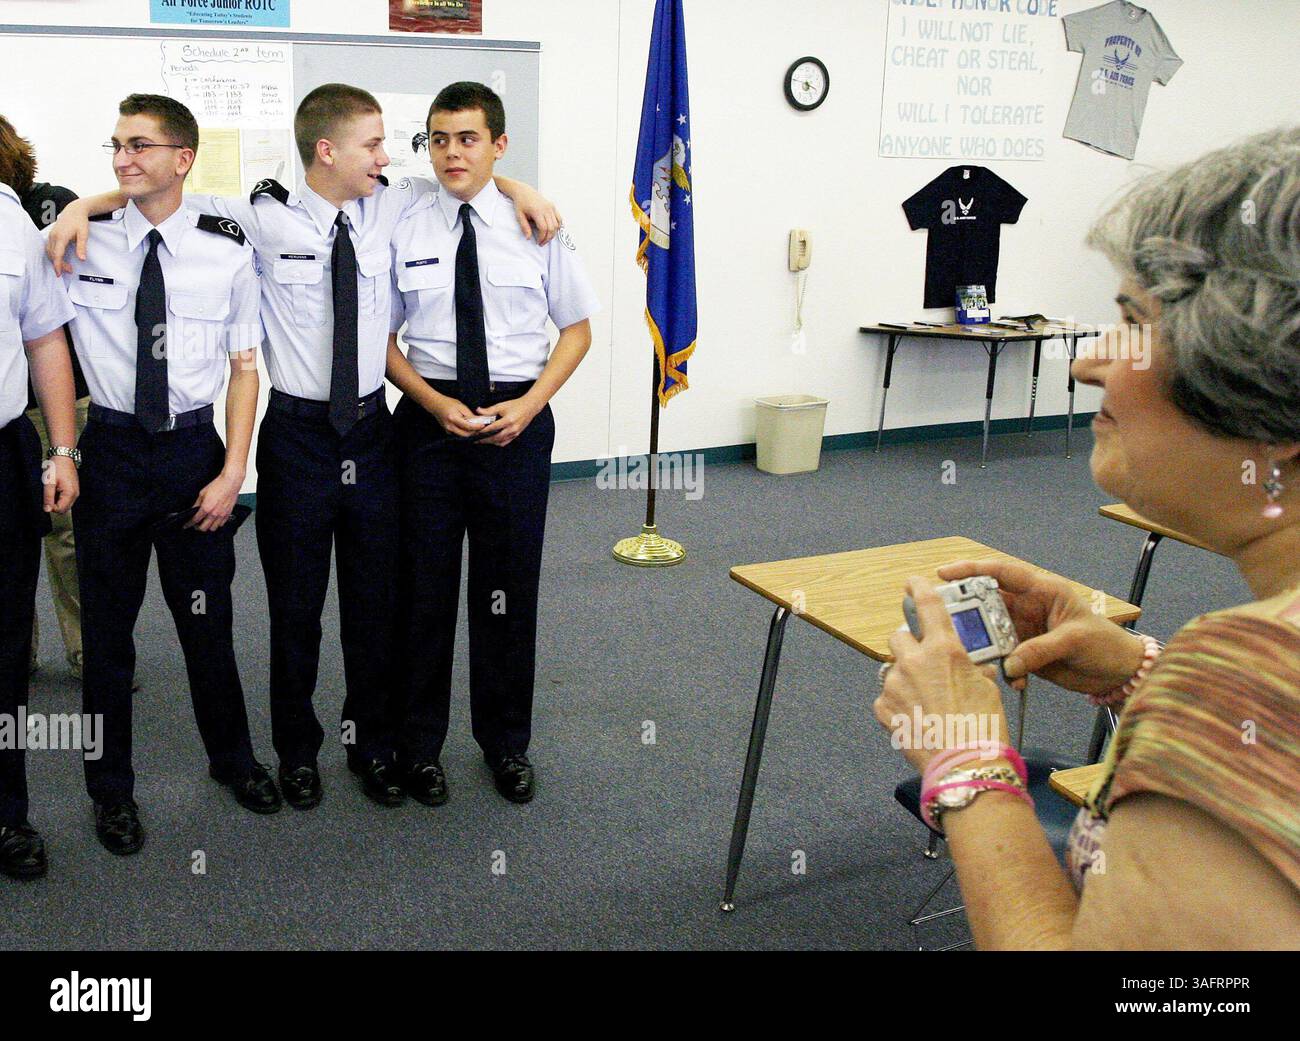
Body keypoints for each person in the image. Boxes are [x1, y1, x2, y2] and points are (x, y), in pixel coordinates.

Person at [51, 84, 562, 812]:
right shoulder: (257, 215)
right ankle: (298, 752)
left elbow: (469, 174)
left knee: (374, 607)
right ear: (327, 151)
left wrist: (523, 188)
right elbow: (164, 190)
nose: (390, 156)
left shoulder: (397, 202)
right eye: (374, 144)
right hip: (295, 438)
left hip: (376, 436)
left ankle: (373, 745)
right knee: (295, 611)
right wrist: (80, 205)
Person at [873, 126, 1300, 948]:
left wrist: (964, 758)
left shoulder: (1250, 679)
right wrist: (1141, 668)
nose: (1088, 363)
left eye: (1134, 323)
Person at [55, 93, 279, 856]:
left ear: (183, 158)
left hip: (193, 455)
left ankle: (234, 760)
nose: (123, 159)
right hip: (111, 454)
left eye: (141, 145)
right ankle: (108, 789)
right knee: (109, 639)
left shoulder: (228, 244)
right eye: (116, 144)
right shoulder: (80, 237)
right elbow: (42, 337)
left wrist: (231, 471)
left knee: (207, 624)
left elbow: (245, 369)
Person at [385, 82, 598, 805]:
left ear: (498, 144)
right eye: (439, 138)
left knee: (507, 590)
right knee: (424, 590)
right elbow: (381, 340)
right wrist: (434, 401)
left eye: (468, 138)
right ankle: (419, 748)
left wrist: (531, 404)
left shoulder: (538, 225)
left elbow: (577, 330)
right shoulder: (405, 219)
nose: (451, 152)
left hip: (517, 418)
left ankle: (506, 745)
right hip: (429, 422)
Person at [0, 163, 80, 880]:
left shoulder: (11, 224)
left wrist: (62, 449)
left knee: (2, 652)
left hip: (1, 454)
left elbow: (46, 340)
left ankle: (7, 813)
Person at [0, 115, 90, 681]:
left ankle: (81, 647)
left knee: (64, 535)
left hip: (41, 408)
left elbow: (46, 337)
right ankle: (21, 650)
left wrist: (64, 451)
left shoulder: (34, 212)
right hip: (21, 399)